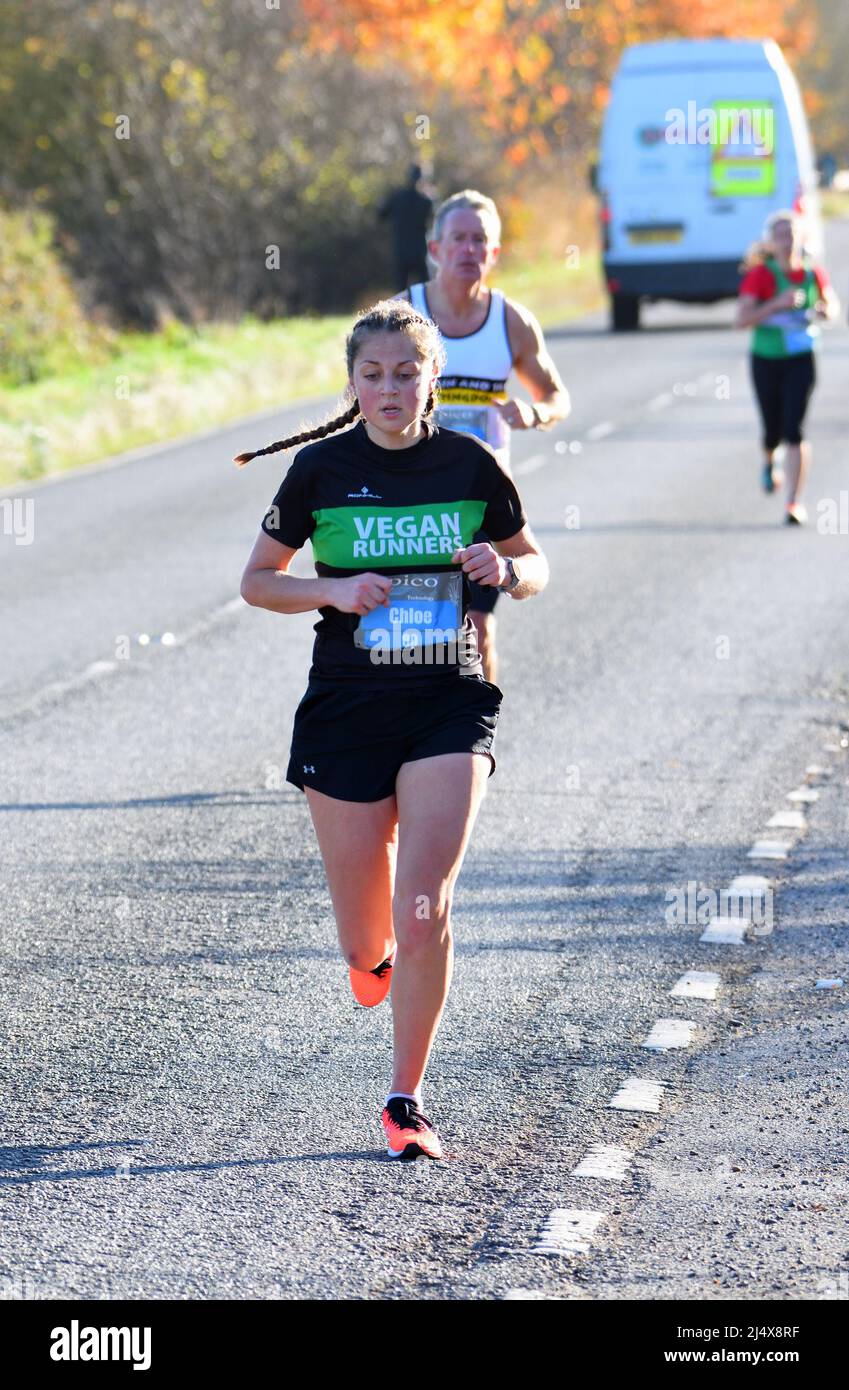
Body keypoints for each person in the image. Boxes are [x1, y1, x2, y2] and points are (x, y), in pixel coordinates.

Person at [236, 299, 548, 1161]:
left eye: (405, 373)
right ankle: (370, 963)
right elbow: (258, 581)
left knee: (424, 908)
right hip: (345, 707)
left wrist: (509, 569)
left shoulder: (469, 462)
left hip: (448, 699)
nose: (389, 389)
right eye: (372, 375)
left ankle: (404, 1100)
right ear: (351, 382)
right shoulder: (319, 472)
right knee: (367, 938)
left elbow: (537, 561)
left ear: (431, 379)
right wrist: (332, 591)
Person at [400, 189, 569, 681]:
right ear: (435, 248)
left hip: (480, 498)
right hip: (410, 497)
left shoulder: (510, 321)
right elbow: (361, 393)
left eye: (480, 241)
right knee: (413, 631)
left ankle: (479, 737)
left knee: (476, 628)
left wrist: (534, 413)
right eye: (459, 239)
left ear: (493, 253)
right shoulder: (403, 315)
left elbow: (558, 397)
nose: (469, 250)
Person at [735, 209, 840, 524]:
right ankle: (770, 460)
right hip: (766, 359)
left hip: (800, 359)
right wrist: (775, 304)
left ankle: (793, 502)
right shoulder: (761, 275)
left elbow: (833, 307)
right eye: (781, 235)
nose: (787, 240)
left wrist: (824, 310)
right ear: (771, 241)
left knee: (794, 428)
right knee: (772, 429)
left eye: (792, 233)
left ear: (802, 238)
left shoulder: (812, 274)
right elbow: (741, 320)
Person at [377, 164, 434, 292]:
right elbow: (433, 220)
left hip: (400, 250)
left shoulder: (397, 197)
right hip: (419, 251)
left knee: (400, 290)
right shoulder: (426, 200)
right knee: (425, 290)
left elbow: (381, 216)